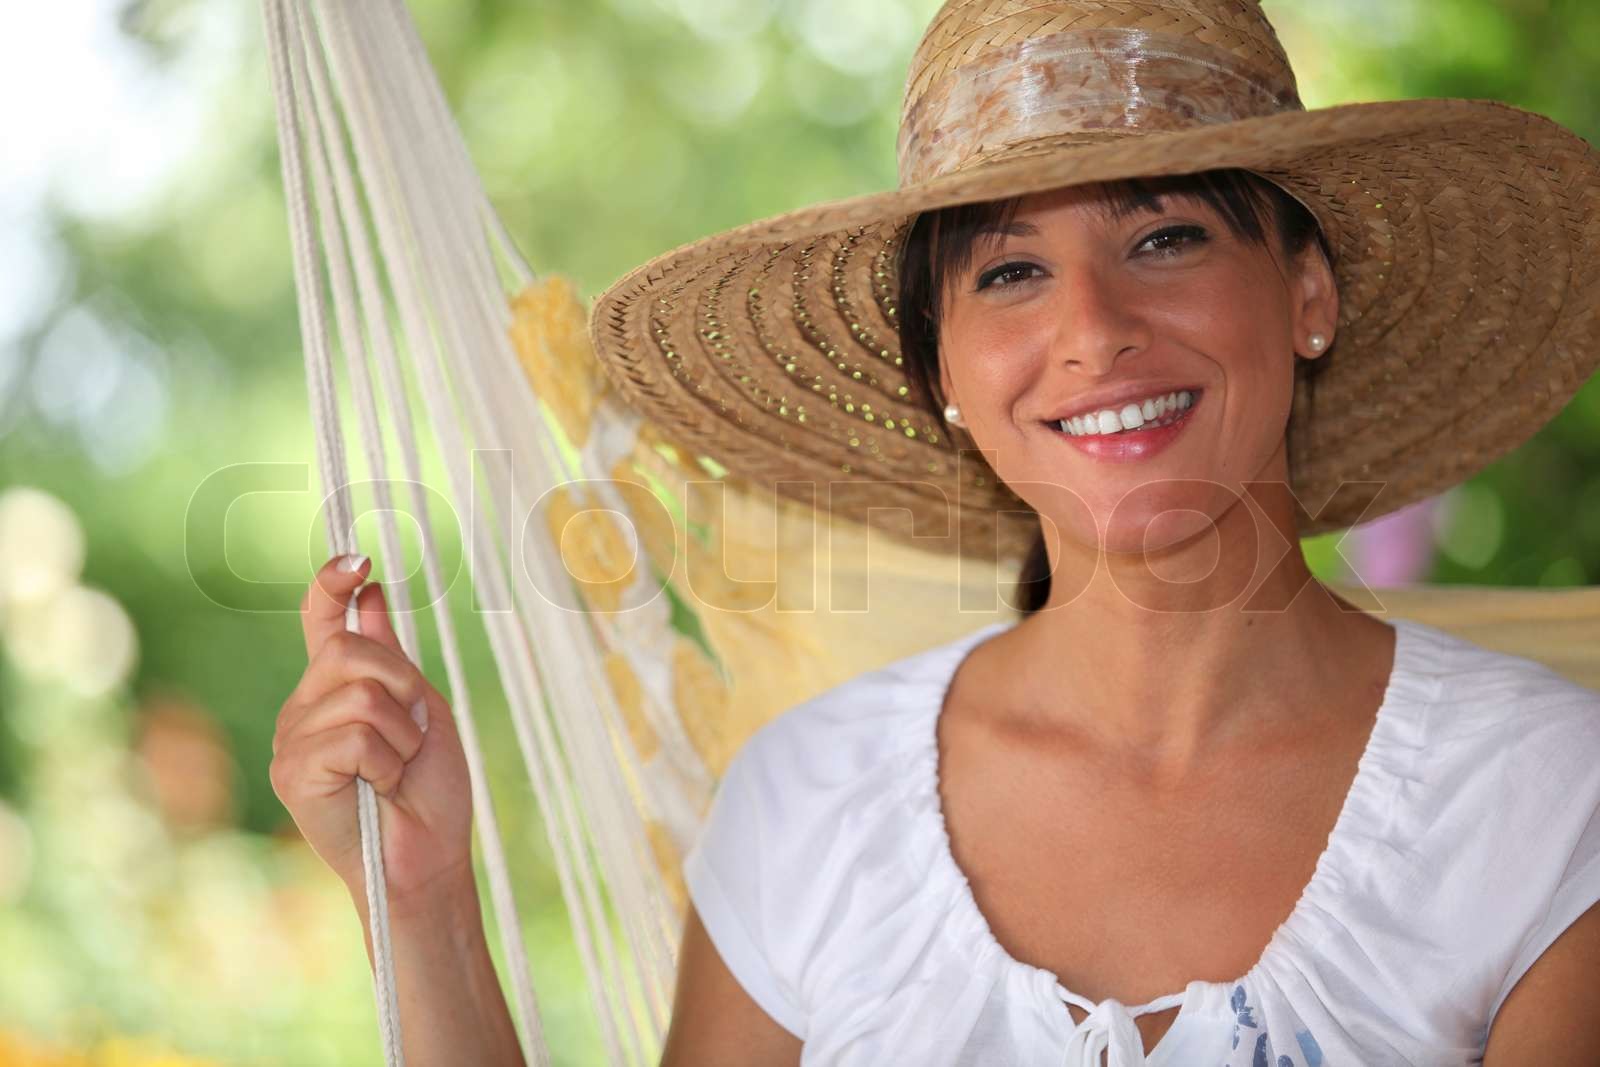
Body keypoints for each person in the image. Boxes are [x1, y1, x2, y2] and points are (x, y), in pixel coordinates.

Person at [272, 1, 1600, 1064]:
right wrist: (424, 904)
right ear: (946, 373)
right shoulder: (810, 801)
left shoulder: (1543, 796)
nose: (1092, 330)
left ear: (1307, 295)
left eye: (1166, 238)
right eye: (1011, 270)